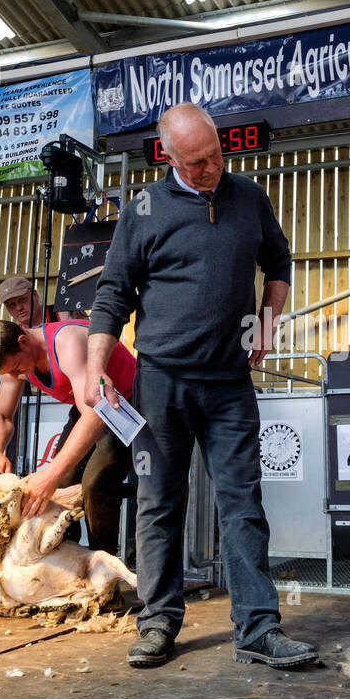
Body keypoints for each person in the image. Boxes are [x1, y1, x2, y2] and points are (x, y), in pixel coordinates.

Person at [86, 102, 316, 670]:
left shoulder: (248, 197)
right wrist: (94, 370)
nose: (211, 168)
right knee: (159, 502)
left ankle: (258, 629)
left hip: (230, 381)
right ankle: (158, 621)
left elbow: (280, 262)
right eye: (196, 163)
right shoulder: (143, 209)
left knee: (243, 502)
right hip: (162, 380)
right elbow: (113, 292)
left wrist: (267, 321)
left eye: (215, 155)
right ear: (169, 157)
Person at [0, 318, 135, 556]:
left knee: (96, 483)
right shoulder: (12, 363)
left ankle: (102, 573)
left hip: (124, 403)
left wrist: (51, 473)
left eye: (17, 367)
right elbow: (2, 415)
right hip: (89, 406)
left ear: (23, 341)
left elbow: (95, 416)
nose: (15, 376)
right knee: (59, 486)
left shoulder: (68, 344)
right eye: (8, 372)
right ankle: (67, 563)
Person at [0, 276, 66, 328]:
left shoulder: (62, 315)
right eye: (12, 304)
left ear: (35, 294)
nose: (19, 308)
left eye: (22, 300)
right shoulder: (15, 335)